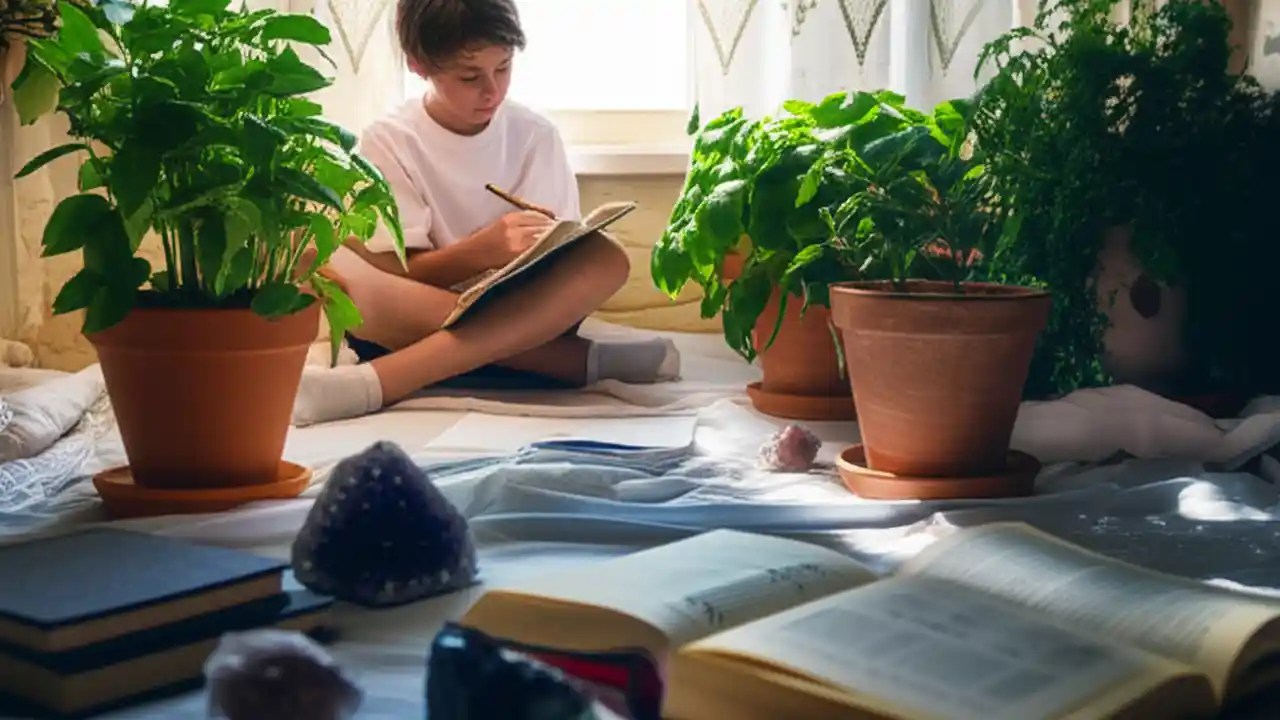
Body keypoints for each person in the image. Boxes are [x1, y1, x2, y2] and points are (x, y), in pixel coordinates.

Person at [292, 0, 680, 426]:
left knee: (607, 258)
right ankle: (573, 362)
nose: (492, 91)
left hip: (515, 314)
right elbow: (399, 274)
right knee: (314, 251)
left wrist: (542, 249)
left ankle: (377, 383)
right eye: (470, 76)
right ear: (419, 64)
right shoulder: (390, 140)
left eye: (504, 67)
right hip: (418, 316)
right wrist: (484, 249)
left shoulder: (534, 136)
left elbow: (560, 270)